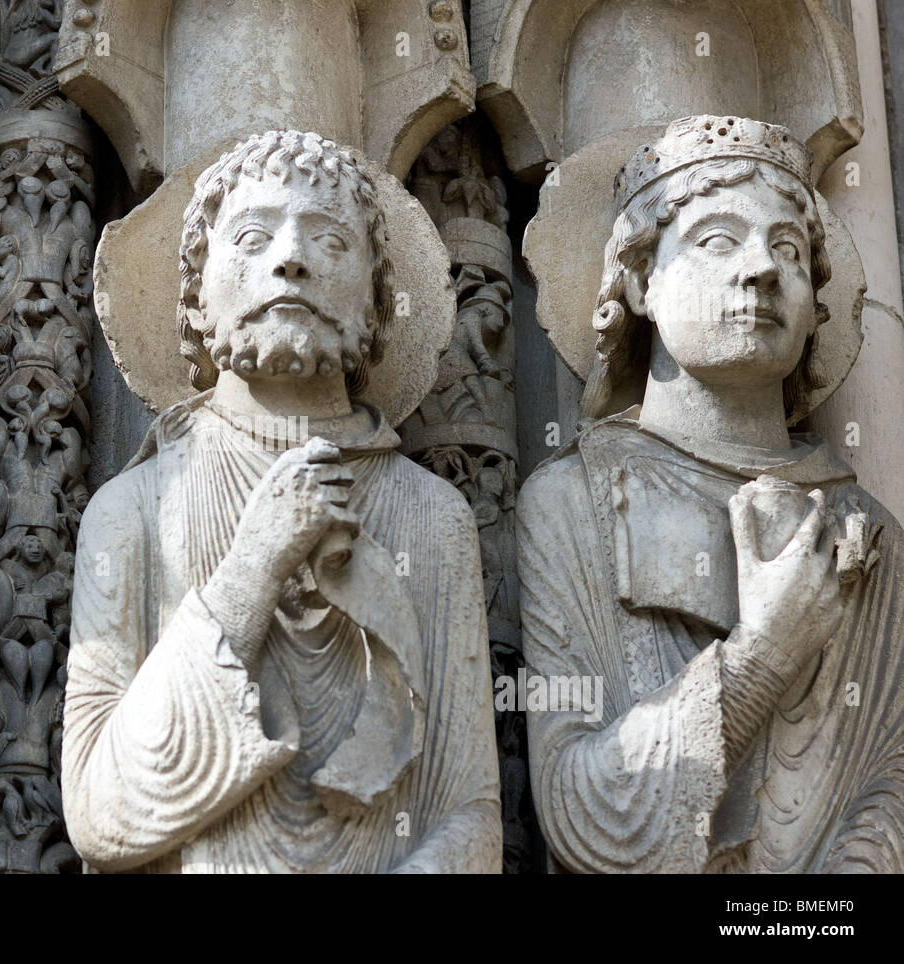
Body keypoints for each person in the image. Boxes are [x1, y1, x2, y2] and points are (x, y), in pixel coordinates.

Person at [61, 129, 501, 873]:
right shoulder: (133, 509)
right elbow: (102, 813)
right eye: (254, 236)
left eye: (330, 242)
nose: (289, 260)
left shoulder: (432, 518)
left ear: (376, 304)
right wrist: (253, 569)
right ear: (197, 297)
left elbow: (470, 818)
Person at [519, 115, 904, 872]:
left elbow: (891, 781)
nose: (761, 270)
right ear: (638, 282)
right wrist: (763, 655)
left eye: (788, 249)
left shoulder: (866, 527)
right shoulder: (573, 502)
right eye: (718, 241)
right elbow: (575, 807)